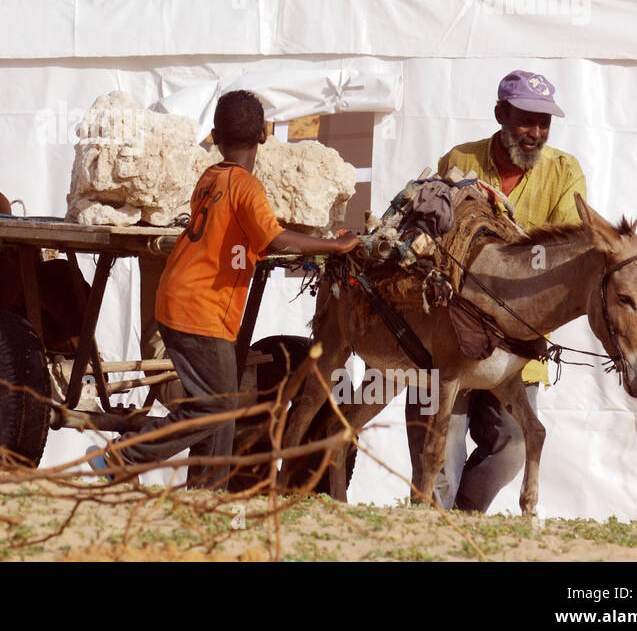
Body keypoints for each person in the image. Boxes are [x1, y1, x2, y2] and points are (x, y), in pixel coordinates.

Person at [93, 90, 360, 489]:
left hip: (182, 300)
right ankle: (121, 455)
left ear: (215, 136)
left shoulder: (211, 177)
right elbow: (277, 239)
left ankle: (205, 494)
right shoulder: (245, 187)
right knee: (214, 410)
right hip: (201, 310)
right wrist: (335, 245)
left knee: (220, 409)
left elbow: (250, 236)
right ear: (266, 135)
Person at [408, 69, 587, 511]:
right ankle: (433, 532)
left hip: (515, 342)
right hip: (449, 327)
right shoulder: (459, 159)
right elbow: (434, 235)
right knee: (439, 449)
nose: (536, 133)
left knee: (511, 446)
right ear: (500, 114)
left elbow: (565, 249)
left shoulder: (564, 171)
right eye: (526, 119)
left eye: (544, 123)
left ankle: (464, 524)